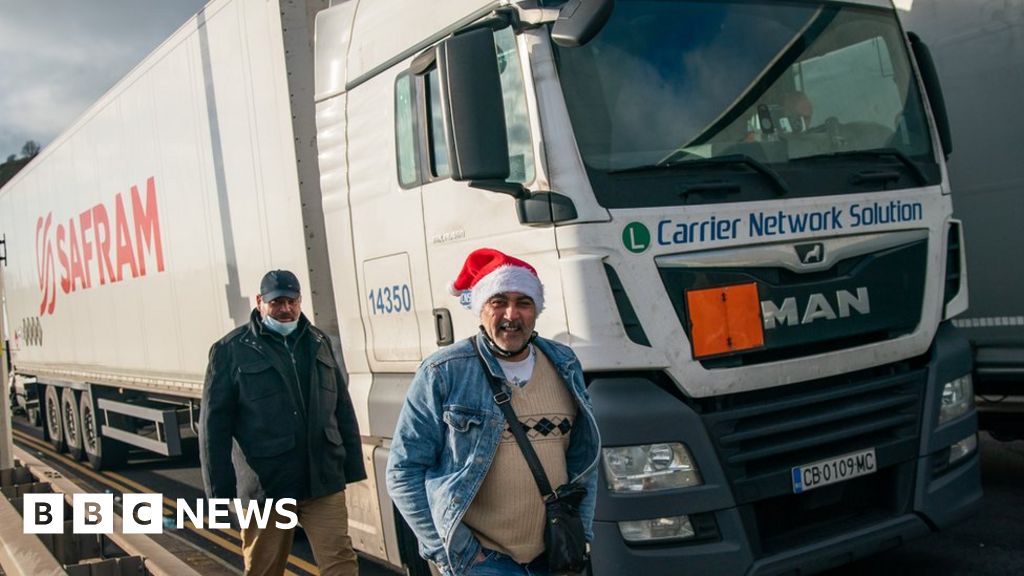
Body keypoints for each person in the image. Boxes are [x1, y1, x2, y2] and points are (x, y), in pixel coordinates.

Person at [387, 248, 601, 576]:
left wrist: (580, 534)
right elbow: (404, 471)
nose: (511, 315)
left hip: (555, 555)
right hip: (484, 562)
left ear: (536, 310)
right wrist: (451, 552)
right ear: (481, 308)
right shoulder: (444, 371)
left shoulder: (565, 364)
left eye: (523, 303)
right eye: (498, 301)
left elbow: (585, 464)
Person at [200, 269, 366, 576]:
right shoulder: (230, 351)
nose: (285, 309)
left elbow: (341, 407)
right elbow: (214, 428)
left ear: (300, 301)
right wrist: (220, 495)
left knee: (341, 561)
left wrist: (352, 467)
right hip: (267, 486)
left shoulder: (318, 341)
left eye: (292, 301)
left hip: (322, 479)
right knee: (264, 568)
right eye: (277, 302)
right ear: (260, 302)